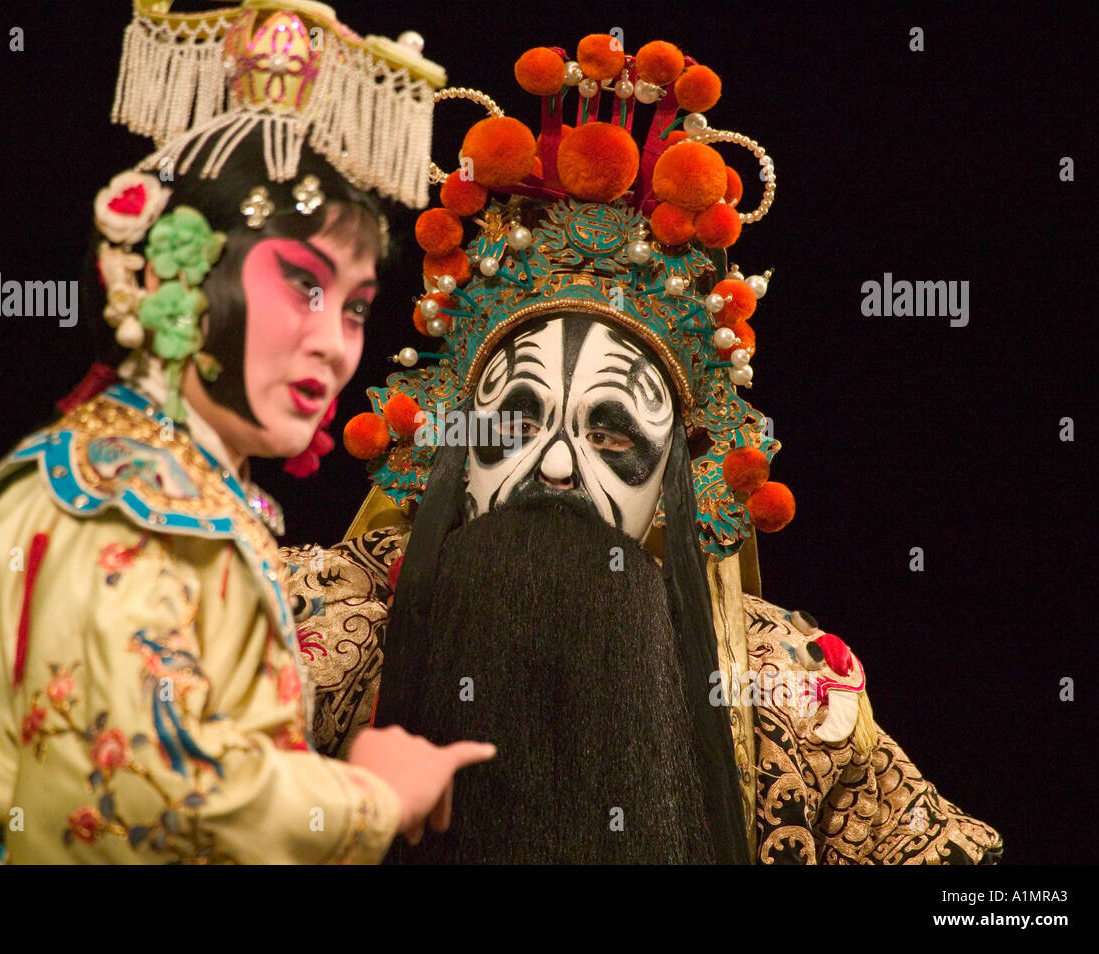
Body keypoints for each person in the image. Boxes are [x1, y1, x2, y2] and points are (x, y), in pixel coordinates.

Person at [285, 32, 1004, 864]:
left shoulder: (783, 696)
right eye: (516, 423)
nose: (555, 465)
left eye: (612, 431)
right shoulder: (324, 626)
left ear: (679, 478)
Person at [0, 1, 494, 864]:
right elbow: (145, 794)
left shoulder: (159, 482)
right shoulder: (118, 495)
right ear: (184, 275)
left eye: (356, 307)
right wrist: (372, 795)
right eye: (305, 285)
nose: (336, 341)